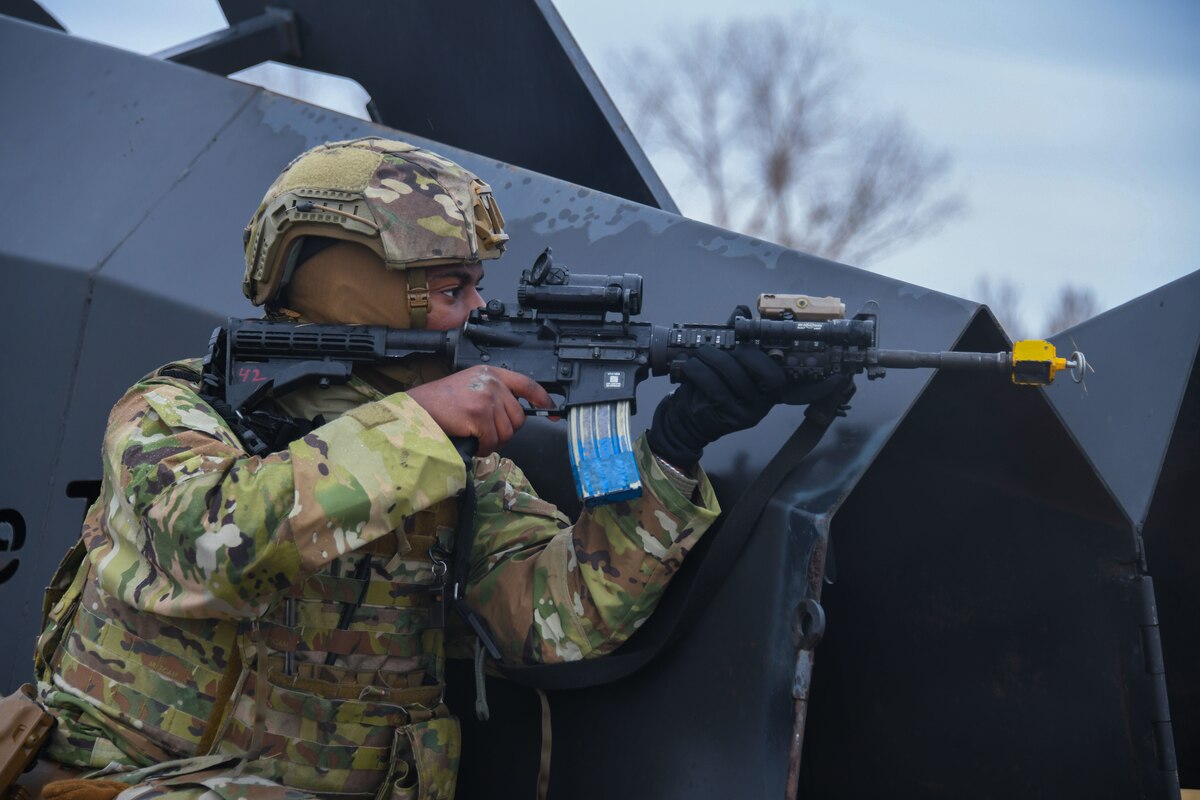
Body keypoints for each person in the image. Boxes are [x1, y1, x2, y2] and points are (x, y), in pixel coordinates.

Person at [27, 138, 842, 800]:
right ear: (364, 290)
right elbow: (215, 547)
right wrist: (423, 425)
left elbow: (555, 625)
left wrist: (671, 449)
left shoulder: (454, 466)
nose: (480, 313)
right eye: (454, 289)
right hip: (121, 784)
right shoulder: (180, 411)